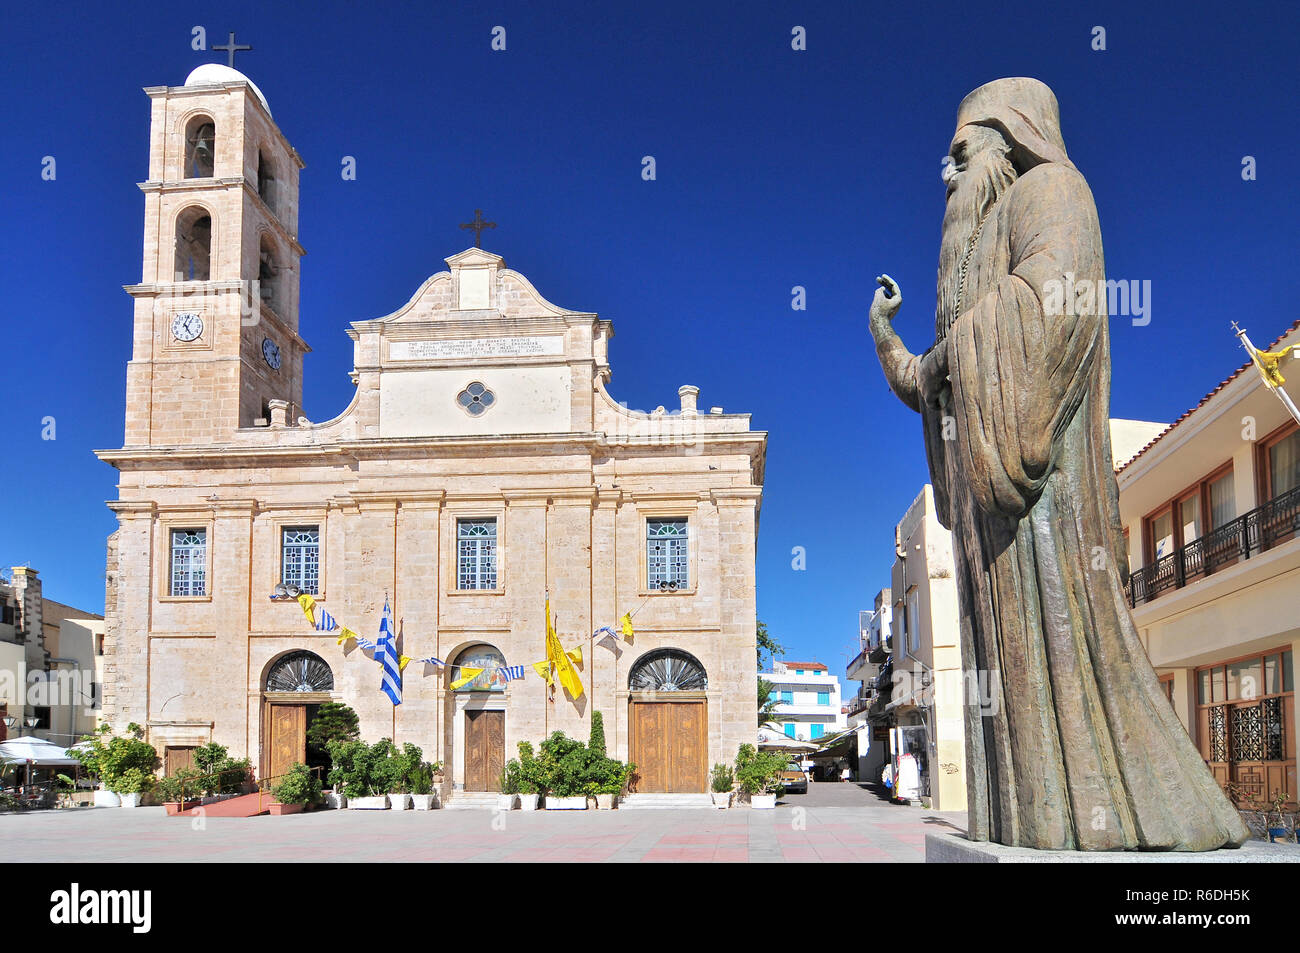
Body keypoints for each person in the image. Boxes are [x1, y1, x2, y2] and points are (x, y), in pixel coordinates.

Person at [868, 77, 1247, 850]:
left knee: (1068, 648)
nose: (946, 172)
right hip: (989, 507)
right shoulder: (974, 244)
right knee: (1013, 672)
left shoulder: (1053, 189)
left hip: (1041, 494)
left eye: (960, 152)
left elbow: (1051, 304)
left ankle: (1130, 816)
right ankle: (1038, 823)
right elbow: (930, 382)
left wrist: (947, 359)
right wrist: (887, 337)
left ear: (1010, 139)